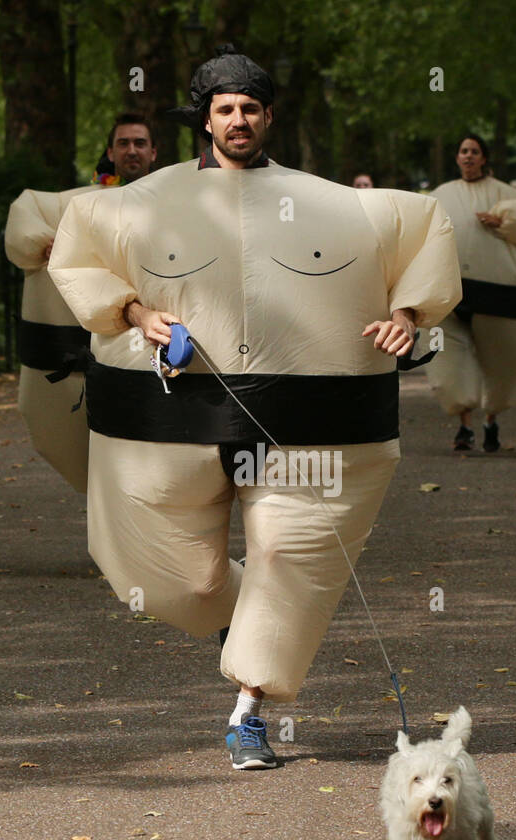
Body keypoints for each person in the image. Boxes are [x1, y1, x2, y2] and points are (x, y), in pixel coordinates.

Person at [47, 47, 459, 770]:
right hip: (172, 423)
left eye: (250, 108)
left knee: (287, 553)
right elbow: (77, 249)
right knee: (184, 583)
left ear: (268, 117)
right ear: (204, 119)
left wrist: (406, 310)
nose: (239, 120)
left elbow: (422, 229)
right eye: (226, 109)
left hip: (311, 428)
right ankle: (252, 614)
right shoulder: (140, 203)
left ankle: (250, 710)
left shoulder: (333, 203)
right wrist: (135, 310)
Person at [3, 115, 158, 491]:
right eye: (123, 143)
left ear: (154, 152)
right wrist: (44, 242)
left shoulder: (173, 200)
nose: (131, 150)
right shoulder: (81, 203)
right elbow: (25, 212)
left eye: (139, 143)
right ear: (110, 153)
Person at [424, 134, 516, 452]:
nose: (468, 156)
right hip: (450, 292)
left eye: (474, 151)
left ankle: (490, 421)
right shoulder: (440, 195)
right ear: (457, 157)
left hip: (497, 296)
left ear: (484, 158)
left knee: (497, 362)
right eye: (463, 151)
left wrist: (505, 222)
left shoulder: (506, 194)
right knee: (451, 357)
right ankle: (465, 428)